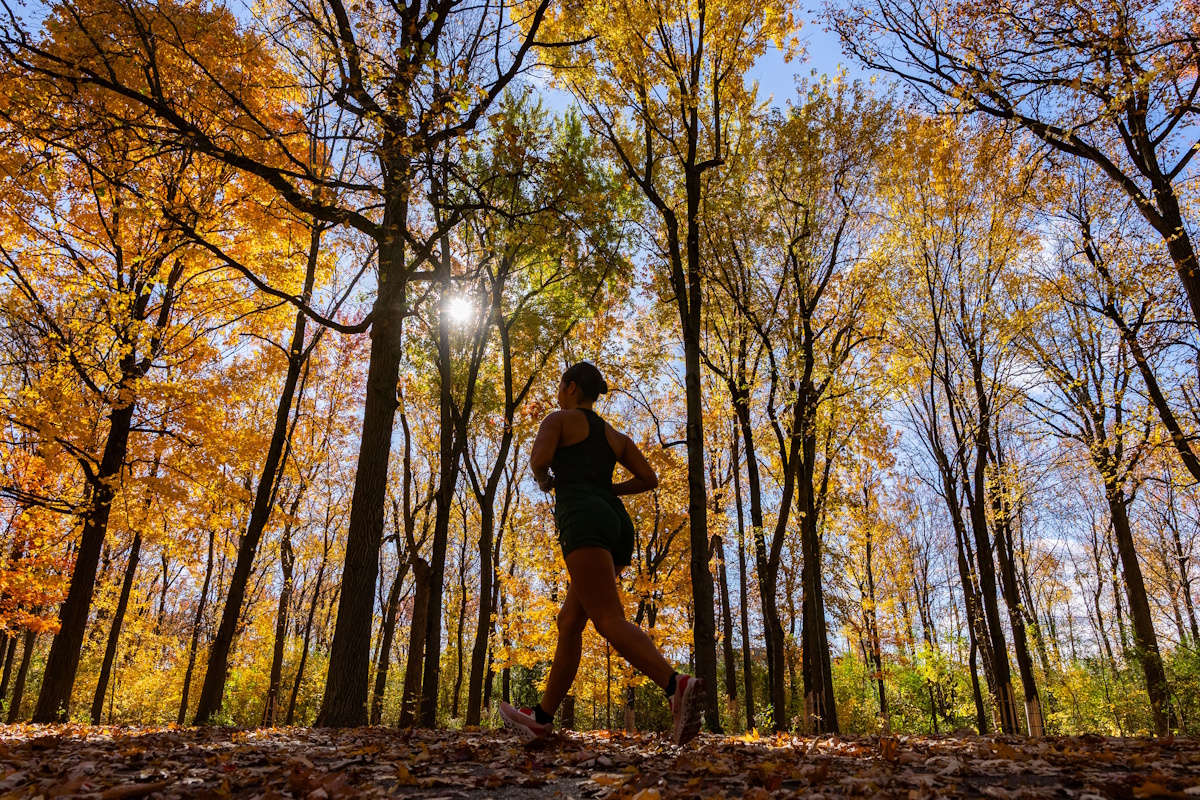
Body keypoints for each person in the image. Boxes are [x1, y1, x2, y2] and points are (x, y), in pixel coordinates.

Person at [499, 362, 706, 746]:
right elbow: (649, 479)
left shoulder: (558, 420)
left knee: (608, 620)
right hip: (616, 526)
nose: (559, 395)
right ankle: (542, 718)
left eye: (561, 387)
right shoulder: (615, 436)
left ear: (572, 387)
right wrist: (610, 492)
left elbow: (538, 462)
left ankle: (676, 684)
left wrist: (548, 482)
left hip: (584, 519)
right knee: (569, 623)